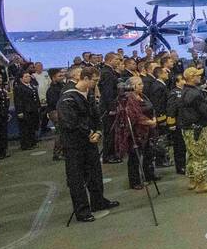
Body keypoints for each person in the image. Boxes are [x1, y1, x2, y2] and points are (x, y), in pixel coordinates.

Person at [57, 67, 118, 222]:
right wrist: (90, 133)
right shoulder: (68, 98)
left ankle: (98, 201)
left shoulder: (89, 95)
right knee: (76, 178)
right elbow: (70, 122)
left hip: (91, 141)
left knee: (95, 173)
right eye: (94, 81)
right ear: (85, 78)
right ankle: (82, 210)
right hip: (74, 144)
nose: (95, 84)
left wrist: (98, 131)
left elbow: (96, 115)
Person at [178, 66, 207, 193]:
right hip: (196, 128)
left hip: (187, 128)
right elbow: (206, 111)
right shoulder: (195, 94)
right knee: (200, 156)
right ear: (191, 77)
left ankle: (192, 180)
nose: (200, 77)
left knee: (190, 155)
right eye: (197, 75)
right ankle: (201, 183)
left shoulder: (184, 90)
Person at [114, 76, 159, 190]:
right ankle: (135, 181)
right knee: (135, 157)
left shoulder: (143, 96)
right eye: (139, 84)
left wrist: (154, 119)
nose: (142, 86)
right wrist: (149, 122)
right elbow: (134, 116)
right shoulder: (129, 99)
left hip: (148, 129)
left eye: (142, 84)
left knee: (149, 153)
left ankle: (149, 174)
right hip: (136, 132)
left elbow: (151, 108)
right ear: (132, 86)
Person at [13, 72, 41, 150]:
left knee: (32, 127)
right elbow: (18, 100)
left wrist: (38, 106)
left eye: (29, 76)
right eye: (26, 77)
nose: (28, 78)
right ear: (21, 79)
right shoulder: (19, 88)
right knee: (26, 128)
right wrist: (19, 112)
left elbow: (36, 97)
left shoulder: (32, 86)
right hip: (25, 110)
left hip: (33, 109)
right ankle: (26, 144)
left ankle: (33, 142)